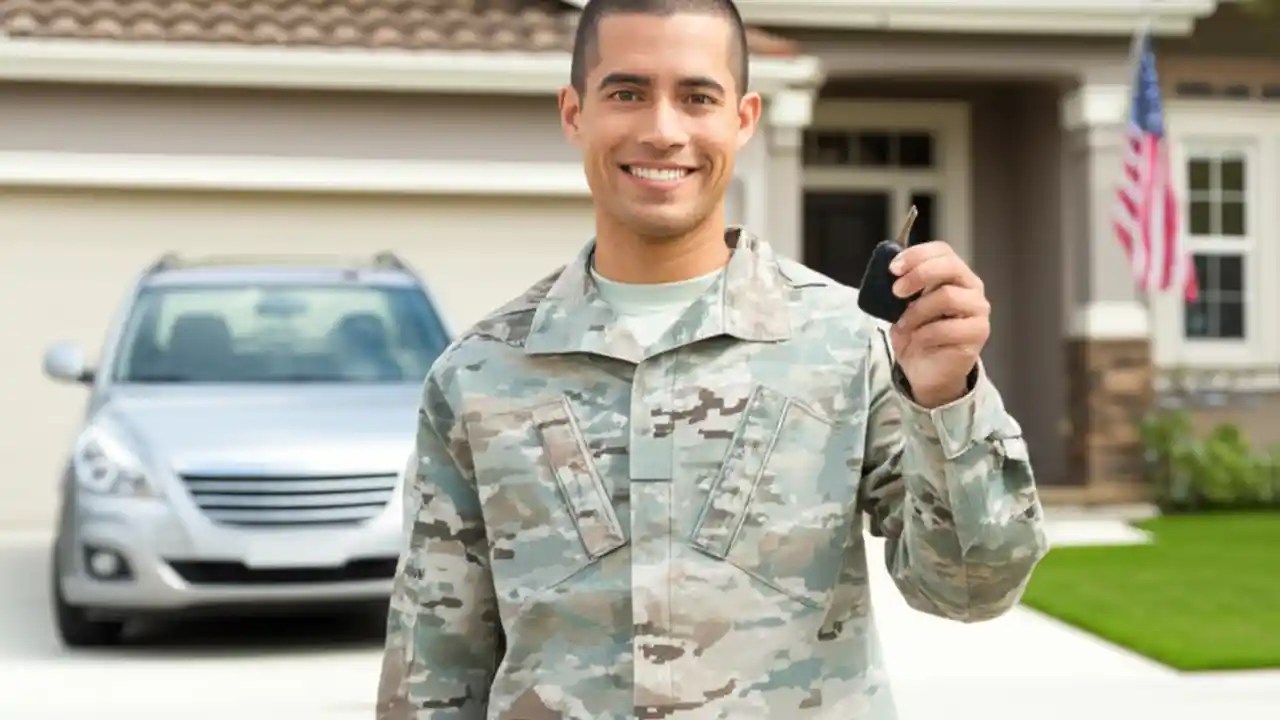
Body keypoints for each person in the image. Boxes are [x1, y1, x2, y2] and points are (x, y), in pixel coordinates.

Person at [375, 0, 1049, 717]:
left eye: (697, 97)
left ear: (744, 118)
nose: (663, 130)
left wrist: (947, 399)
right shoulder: (479, 374)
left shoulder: (850, 345)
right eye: (627, 93)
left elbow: (973, 588)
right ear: (575, 113)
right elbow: (434, 665)